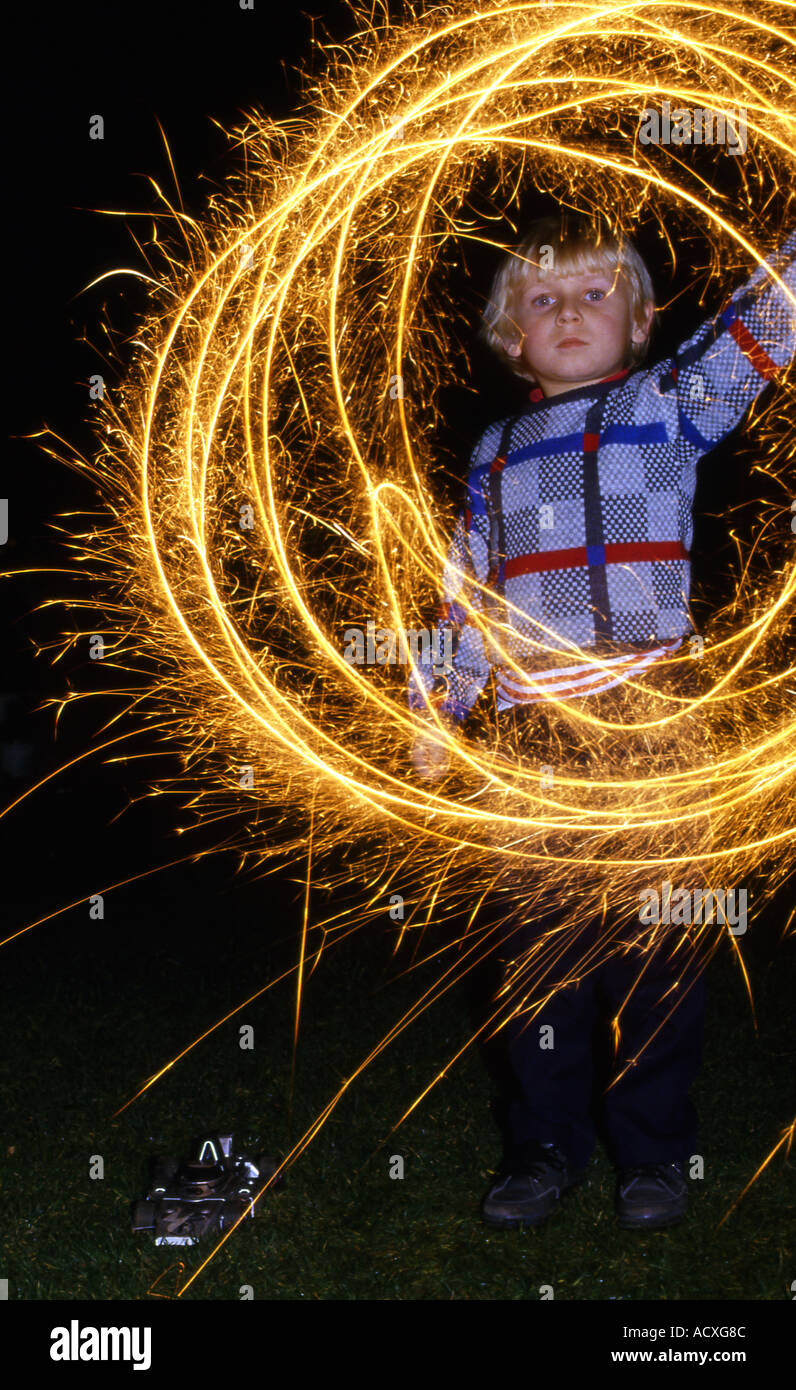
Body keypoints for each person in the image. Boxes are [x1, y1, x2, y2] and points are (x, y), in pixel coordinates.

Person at [407, 214, 796, 1229]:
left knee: (661, 952)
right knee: (542, 958)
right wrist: (439, 711)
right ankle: (540, 1147)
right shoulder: (494, 450)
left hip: (652, 724)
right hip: (536, 742)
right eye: (542, 299)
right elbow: (465, 594)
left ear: (637, 322)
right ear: (509, 338)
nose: (568, 311)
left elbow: (759, 329)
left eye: (593, 294)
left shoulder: (666, 406)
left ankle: (654, 1154)